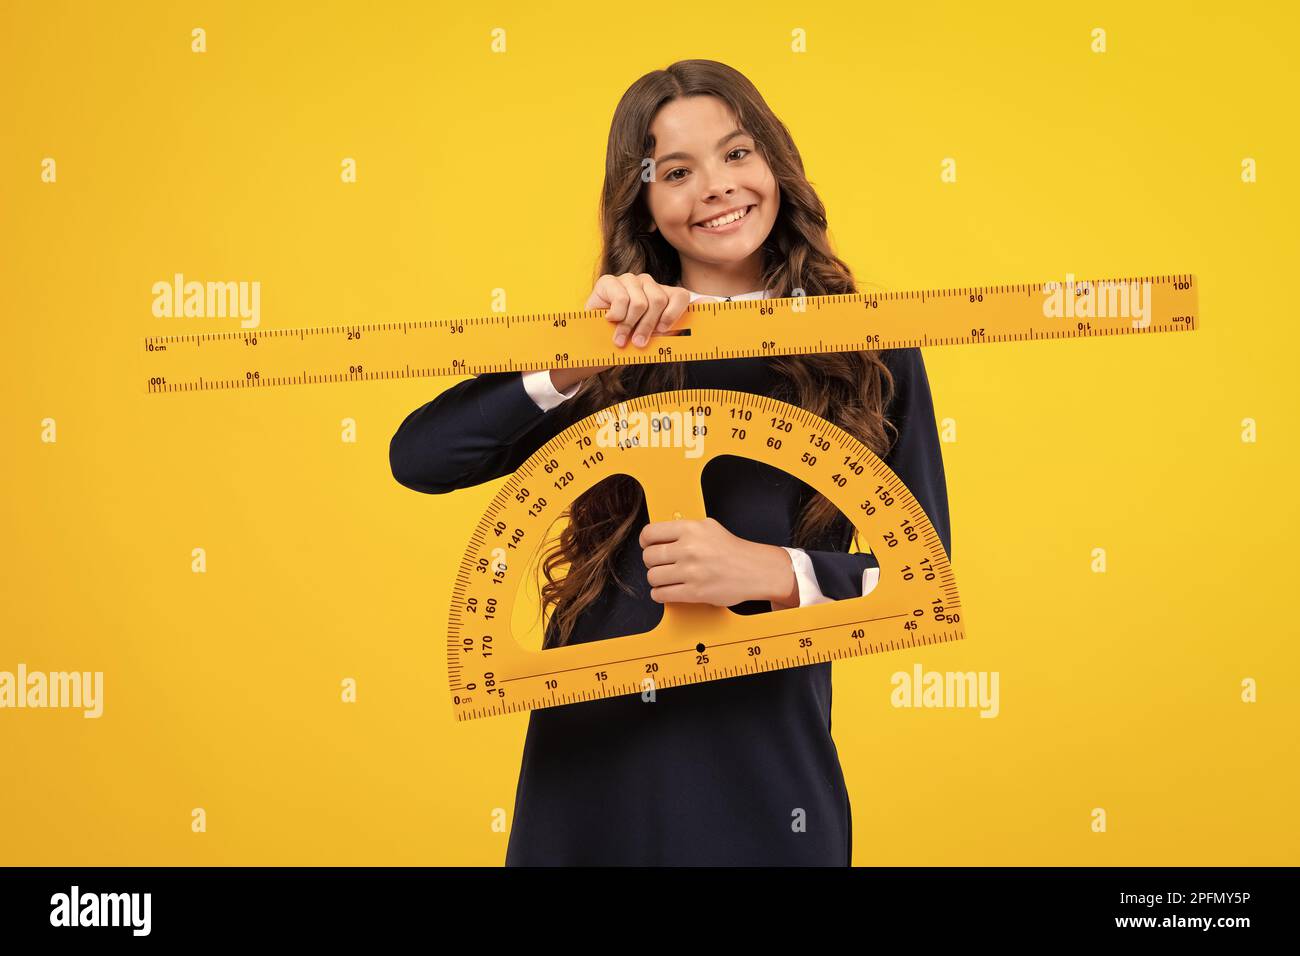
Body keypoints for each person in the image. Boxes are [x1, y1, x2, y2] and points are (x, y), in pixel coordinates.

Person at [389, 59, 951, 865]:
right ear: (644, 205)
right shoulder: (615, 342)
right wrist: (576, 360)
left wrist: (770, 570)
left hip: (761, 765)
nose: (716, 188)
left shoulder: (870, 343)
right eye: (676, 172)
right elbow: (422, 457)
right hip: (591, 755)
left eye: (736, 154)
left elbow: (924, 585)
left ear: (776, 166)